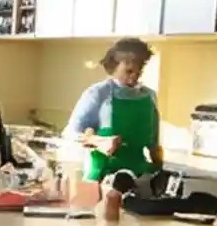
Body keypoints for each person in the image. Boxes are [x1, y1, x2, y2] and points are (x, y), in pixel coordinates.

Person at [65, 37, 161, 182]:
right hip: (103, 175)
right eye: (129, 71)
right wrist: (98, 141)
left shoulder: (148, 96)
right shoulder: (98, 93)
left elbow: (154, 143)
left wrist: (159, 170)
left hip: (140, 176)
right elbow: (71, 133)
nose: (134, 77)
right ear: (114, 66)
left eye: (139, 71)